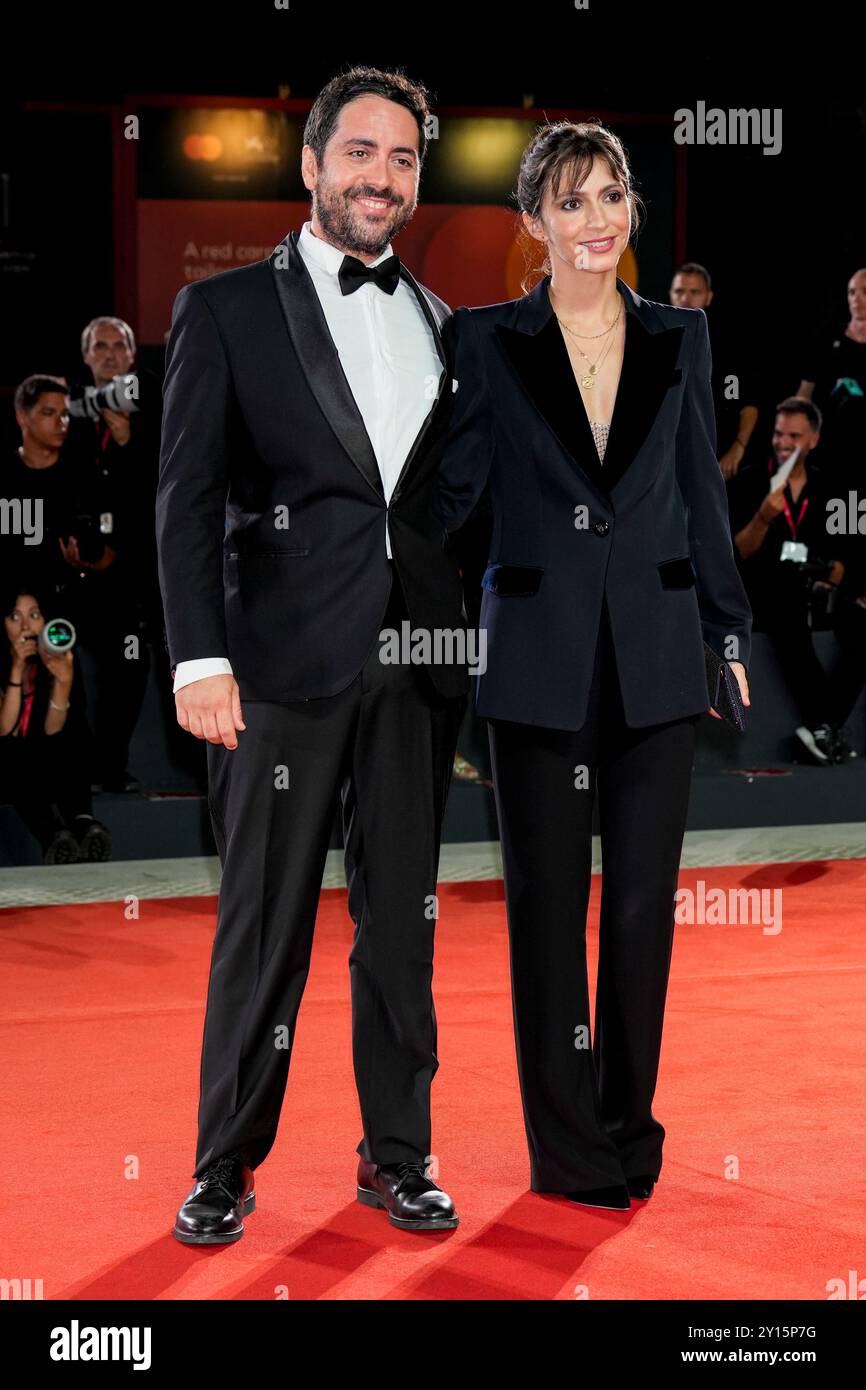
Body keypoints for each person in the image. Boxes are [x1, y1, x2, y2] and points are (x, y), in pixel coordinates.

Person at [157, 66, 469, 1245]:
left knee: (402, 924)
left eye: (400, 160)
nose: (379, 178)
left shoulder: (441, 321)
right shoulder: (228, 309)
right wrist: (198, 659)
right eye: (359, 154)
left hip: (411, 670)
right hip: (275, 667)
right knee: (264, 923)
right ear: (310, 163)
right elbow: (183, 499)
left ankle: (397, 1155)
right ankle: (223, 1164)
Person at [437, 120, 752, 1211]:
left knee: (638, 914)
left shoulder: (678, 336)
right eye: (567, 202)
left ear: (631, 210)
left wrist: (724, 627)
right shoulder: (482, 340)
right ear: (532, 222)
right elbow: (450, 500)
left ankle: (629, 1123)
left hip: (657, 653)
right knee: (545, 918)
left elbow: (698, 495)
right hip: (535, 658)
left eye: (608, 195)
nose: (593, 220)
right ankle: (568, 1149)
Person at [729, 397, 866, 762]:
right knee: (786, 610)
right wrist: (762, 517)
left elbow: (848, 554)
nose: (783, 442)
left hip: (817, 592)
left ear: (814, 440)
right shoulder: (752, 481)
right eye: (778, 434)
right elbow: (734, 554)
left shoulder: (830, 489)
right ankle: (826, 728)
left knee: (862, 626)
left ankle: (822, 727)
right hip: (767, 592)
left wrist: (837, 574)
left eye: (794, 435)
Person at [0, 583, 111, 863]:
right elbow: (5, 731)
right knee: (14, 755)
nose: (26, 626)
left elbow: (54, 732)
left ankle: (83, 823)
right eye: (15, 617)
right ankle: (53, 835)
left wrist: (63, 681)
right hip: (9, 767)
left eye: (34, 615)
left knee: (71, 737)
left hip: (46, 764)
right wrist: (16, 670)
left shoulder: (56, 663)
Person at [669, 262, 759, 480]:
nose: (685, 299)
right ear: (670, 294)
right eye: (679, 291)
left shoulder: (729, 348)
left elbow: (748, 406)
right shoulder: (658, 345)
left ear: (708, 297)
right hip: (671, 465)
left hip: (719, 465)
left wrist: (737, 449)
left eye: (694, 292)